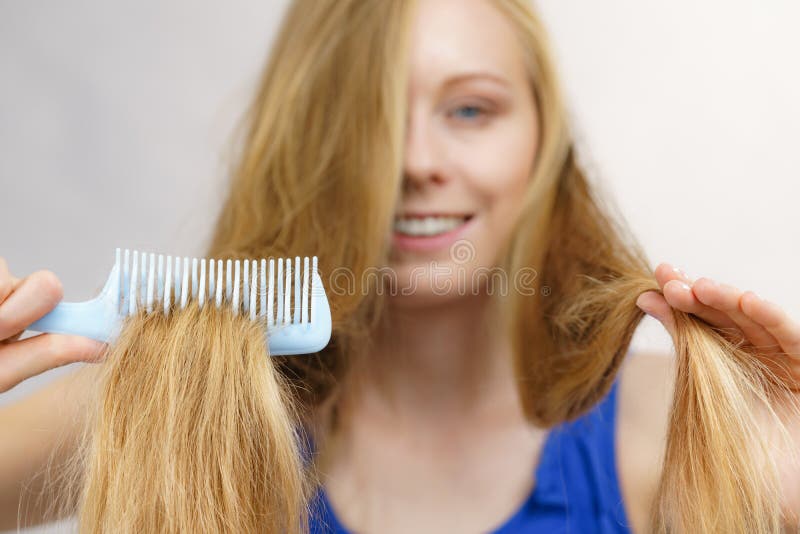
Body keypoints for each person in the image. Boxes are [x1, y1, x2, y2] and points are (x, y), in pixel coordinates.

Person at [2, 0, 799, 532]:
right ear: (303, 150)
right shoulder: (171, 405)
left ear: (542, 146)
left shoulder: (687, 431)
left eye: (469, 109)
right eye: (371, 119)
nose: (416, 160)